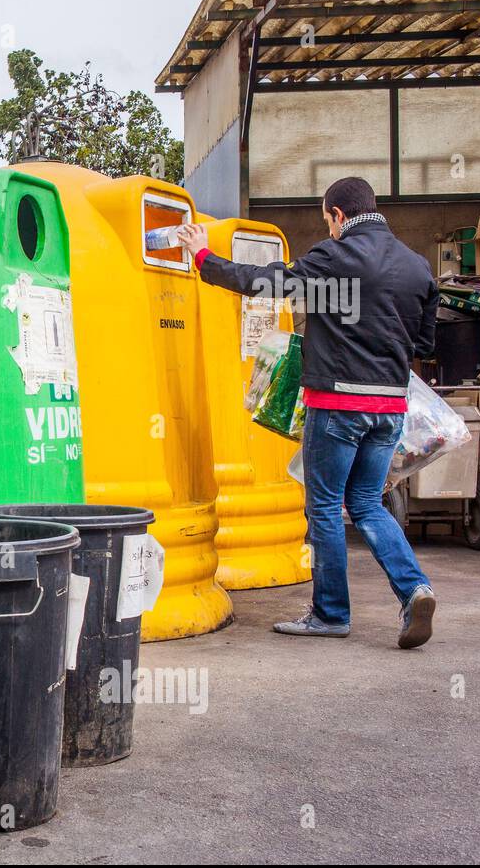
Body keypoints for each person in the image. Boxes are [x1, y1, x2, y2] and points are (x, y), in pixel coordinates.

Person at [177, 177, 439, 649]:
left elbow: (264, 284)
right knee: (365, 504)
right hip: (389, 409)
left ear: (338, 215)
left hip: (338, 404)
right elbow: (424, 344)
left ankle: (330, 614)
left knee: (323, 507)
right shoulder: (417, 267)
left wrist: (203, 258)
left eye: (326, 220)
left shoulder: (333, 258)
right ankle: (415, 588)